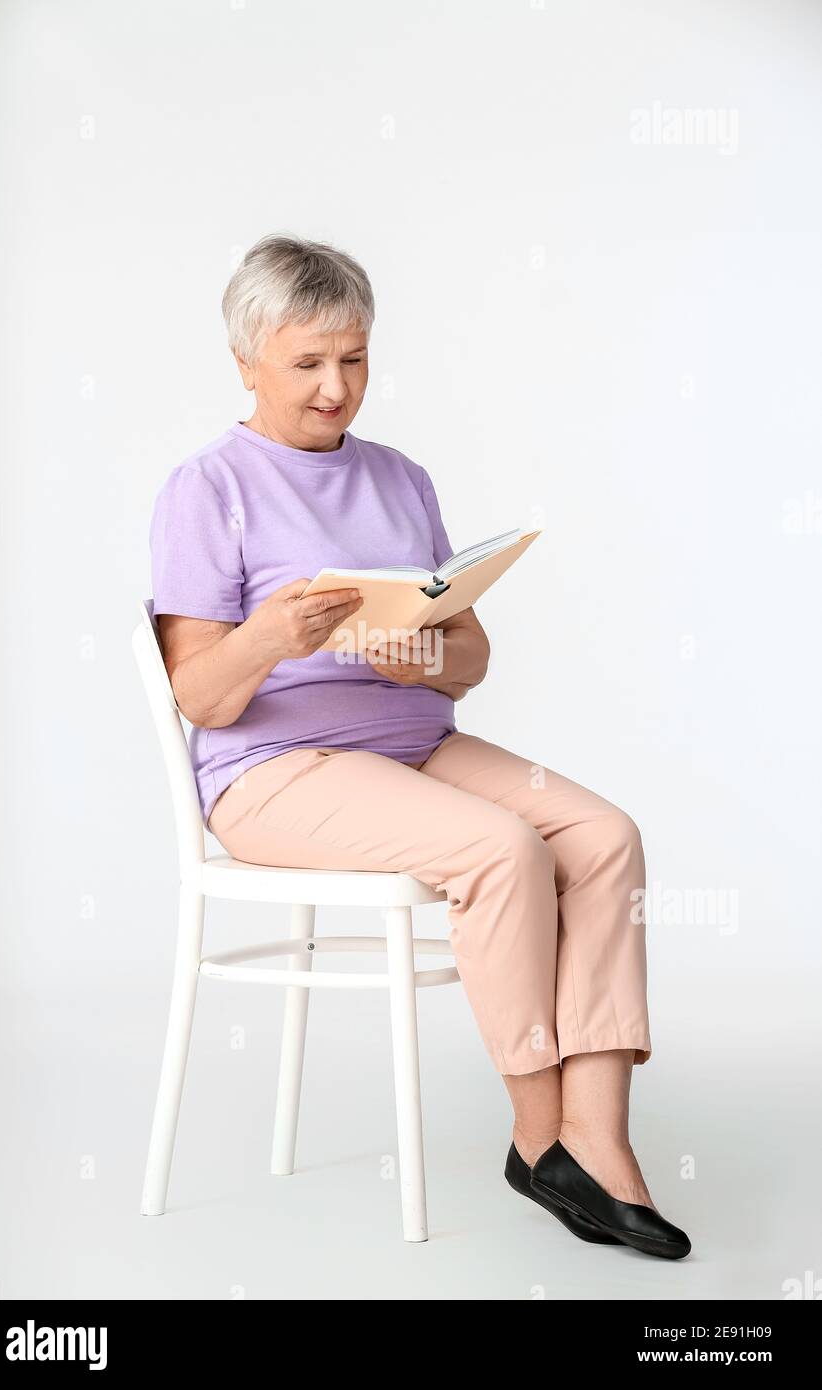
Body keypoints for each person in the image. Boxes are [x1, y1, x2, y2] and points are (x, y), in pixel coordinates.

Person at [148, 232, 691, 1258]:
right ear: (245, 359)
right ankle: (539, 1139)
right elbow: (201, 697)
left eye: (352, 358)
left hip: (413, 745)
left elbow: (470, 655)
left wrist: (420, 660)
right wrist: (273, 634)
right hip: (273, 774)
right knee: (499, 848)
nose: (333, 387)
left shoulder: (399, 478)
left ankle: (603, 1143)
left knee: (604, 835)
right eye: (306, 362)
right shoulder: (205, 486)